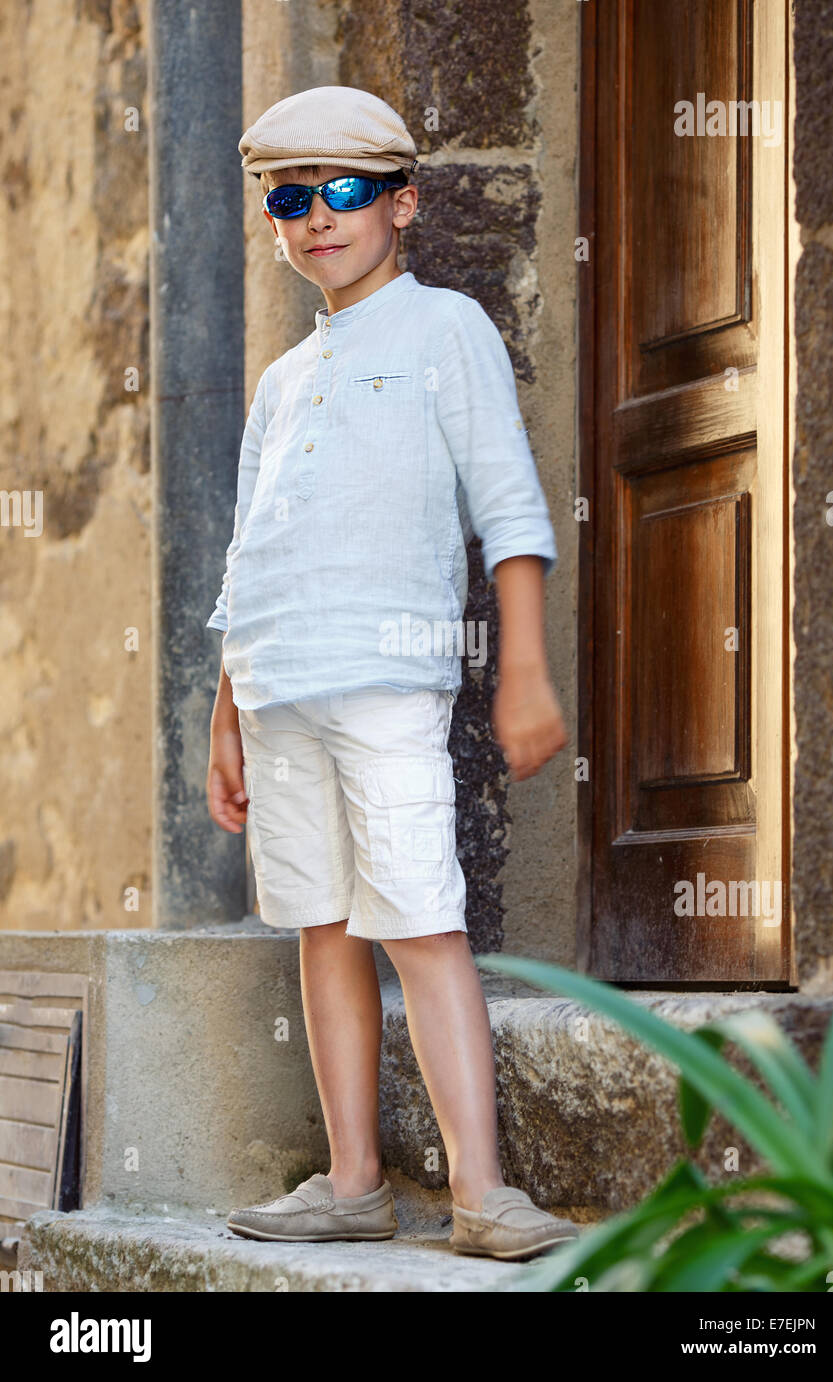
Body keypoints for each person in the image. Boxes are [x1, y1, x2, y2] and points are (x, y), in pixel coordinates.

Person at [205, 85, 579, 1262]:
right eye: (289, 198)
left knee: (420, 918)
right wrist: (222, 710)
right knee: (322, 923)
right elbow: (246, 549)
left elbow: (508, 507)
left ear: (402, 202)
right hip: (275, 689)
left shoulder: (445, 331)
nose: (318, 216)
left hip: (387, 680)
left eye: (347, 191)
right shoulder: (278, 381)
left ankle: (482, 1189)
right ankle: (353, 1176)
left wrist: (521, 666)